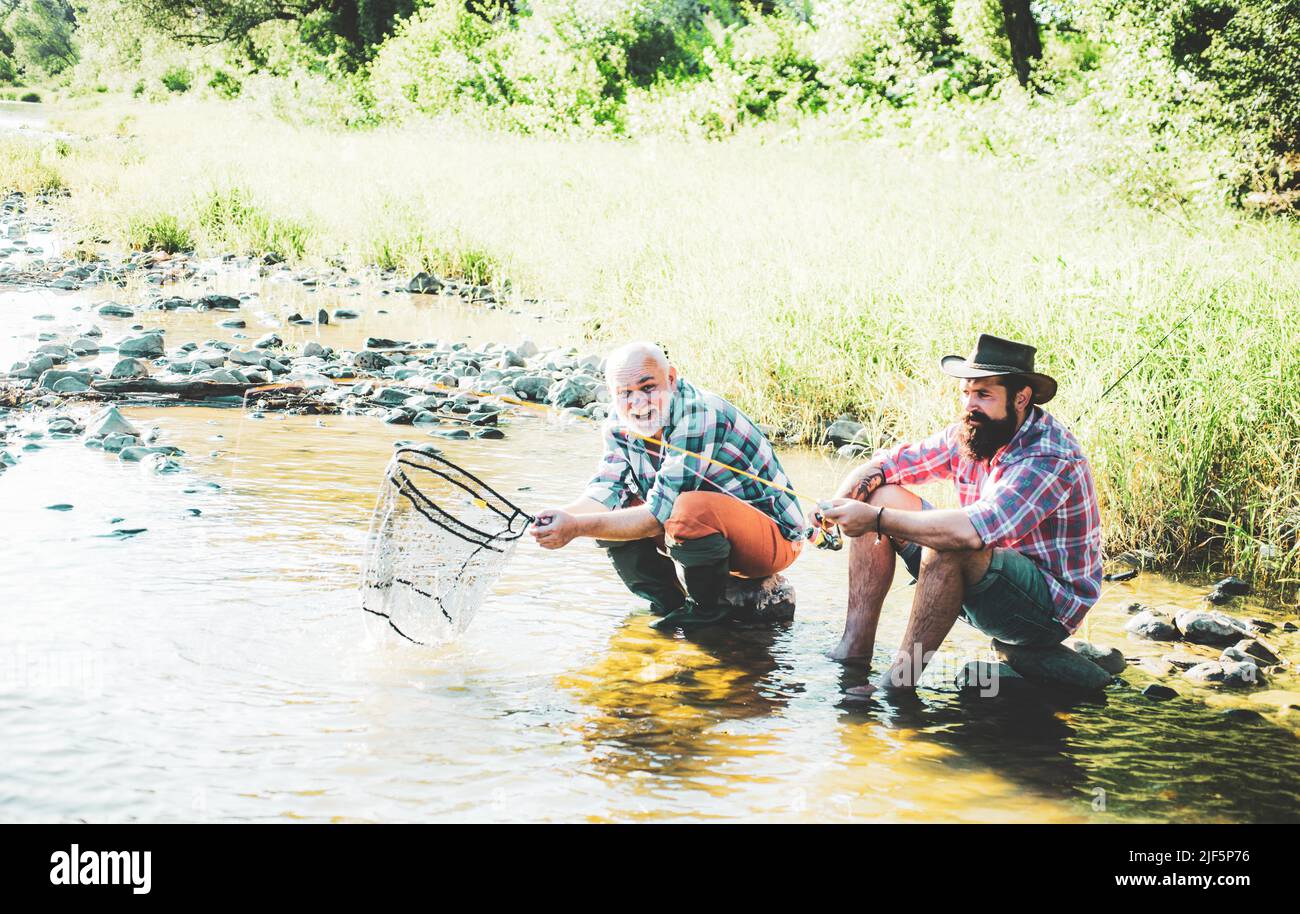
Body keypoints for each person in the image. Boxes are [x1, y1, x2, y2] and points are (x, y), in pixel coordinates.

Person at [816, 334, 1102, 695]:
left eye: (983, 395)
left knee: (948, 543)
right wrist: (840, 504)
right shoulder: (975, 431)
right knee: (879, 494)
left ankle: (898, 685)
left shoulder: (1048, 456)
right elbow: (887, 464)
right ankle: (854, 650)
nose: (970, 404)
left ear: (1021, 398)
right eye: (966, 392)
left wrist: (874, 520)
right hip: (988, 578)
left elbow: (971, 532)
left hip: (1046, 608)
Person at [531, 341, 805, 631]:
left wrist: (576, 528)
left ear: (671, 379)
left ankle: (706, 613)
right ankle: (667, 604)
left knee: (688, 509)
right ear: (613, 394)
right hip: (712, 536)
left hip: (775, 540)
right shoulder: (618, 421)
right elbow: (604, 490)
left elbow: (658, 515)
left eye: (648, 388)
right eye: (625, 393)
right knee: (616, 507)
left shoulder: (698, 414)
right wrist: (558, 519)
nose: (638, 404)